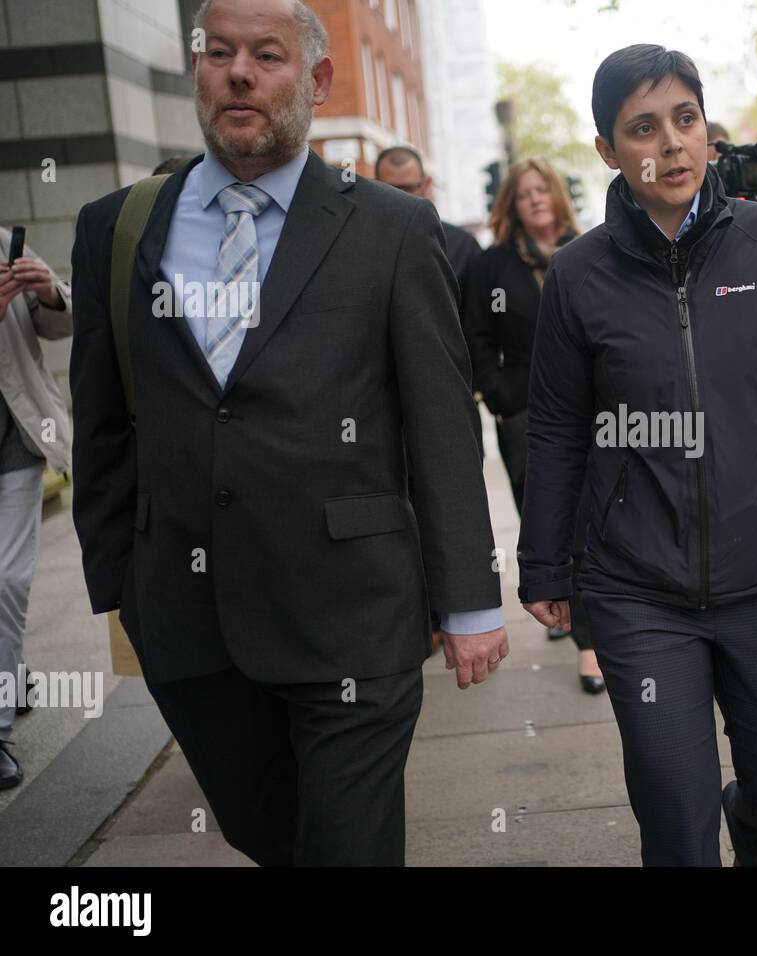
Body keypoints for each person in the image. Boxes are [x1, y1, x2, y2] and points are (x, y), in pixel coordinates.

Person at [69, 0, 506, 865]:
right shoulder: (115, 229)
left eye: (266, 55)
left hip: (355, 613)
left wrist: (469, 601)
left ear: (316, 80)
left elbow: (440, 422)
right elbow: (104, 419)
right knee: (270, 836)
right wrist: (121, 583)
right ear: (196, 69)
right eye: (218, 52)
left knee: (349, 845)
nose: (238, 73)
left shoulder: (391, 227)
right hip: (191, 626)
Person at [518, 44, 757, 865]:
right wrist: (546, 564)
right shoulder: (578, 275)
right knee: (673, 809)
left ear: (707, 131)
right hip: (635, 588)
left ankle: (755, 823)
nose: (672, 143)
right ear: (608, 151)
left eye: (685, 119)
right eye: (644, 127)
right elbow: (553, 425)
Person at [461, 158, 602, 690]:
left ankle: (590, 642)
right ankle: (565, 608)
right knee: (547, 524)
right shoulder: (493, 266)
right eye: (524, 194)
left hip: (596, 414)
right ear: (511, 206)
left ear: (559, 196)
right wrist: (502, 398)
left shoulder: (594, 249)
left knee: (590, 524)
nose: (536, 200)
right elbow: (475, 339)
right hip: (525, 419)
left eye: (544, 190)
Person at [0, 229, 73, 790]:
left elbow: (57, 324)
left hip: (14, 440)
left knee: (7, 578)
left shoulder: (4, 241)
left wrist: (48, 292)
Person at [373, 144, 485, 476]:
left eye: (409, 188)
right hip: (380, 412)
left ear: (426, 185)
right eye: (392, 189)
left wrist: (484, 390)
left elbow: (480, 328)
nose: (402, 197)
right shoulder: (357, 246)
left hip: (451, 403)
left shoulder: (463, 246)